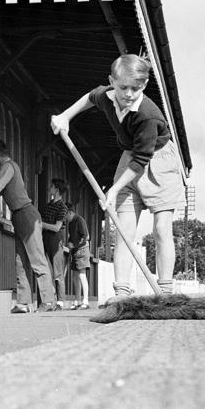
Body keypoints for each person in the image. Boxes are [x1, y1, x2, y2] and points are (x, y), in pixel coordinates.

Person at [51, 54, 186, 302]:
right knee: (124, 230)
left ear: (144, 86)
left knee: (161, 229)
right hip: (130, 156)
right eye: (123, 87)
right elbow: (90, 97)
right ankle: (121, 292)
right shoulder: (107, 96)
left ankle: (165, 292)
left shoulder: (148, 116)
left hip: (159, 161)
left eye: (136, 88)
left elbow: (141, 161)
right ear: (112, 81)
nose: (129, 94)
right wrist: (65, 117)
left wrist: (112, 190)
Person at [0, 140, 59, 313]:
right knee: (21, 261)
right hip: (20, 215)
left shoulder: (8, 167)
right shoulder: (10, 168)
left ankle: (49, 302)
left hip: (26, 214)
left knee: (37, 261)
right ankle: (24, 303)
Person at [41, 178, 69, 309]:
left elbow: (57, 227)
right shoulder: (48, 205)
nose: (49, 187)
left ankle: (61, 301)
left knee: (57, 272)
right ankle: (48, 299)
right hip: (45, 238)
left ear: (56, 189)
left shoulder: (63, 207)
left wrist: (42, 224)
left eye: (51, 186)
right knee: (45, 269)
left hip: (56, 239)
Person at [65, 202, 90, 310]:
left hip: (82, 249)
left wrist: (74, 244)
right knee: (75, 276)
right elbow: (72, 237)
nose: (64, 218)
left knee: (82, 275)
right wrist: (69, 243)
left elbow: (86, 236)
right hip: (75, 250)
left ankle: (86, 301)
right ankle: (77, 300)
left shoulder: (79, 220)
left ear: (70, 212)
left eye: (65, 215)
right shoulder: (70, 223)